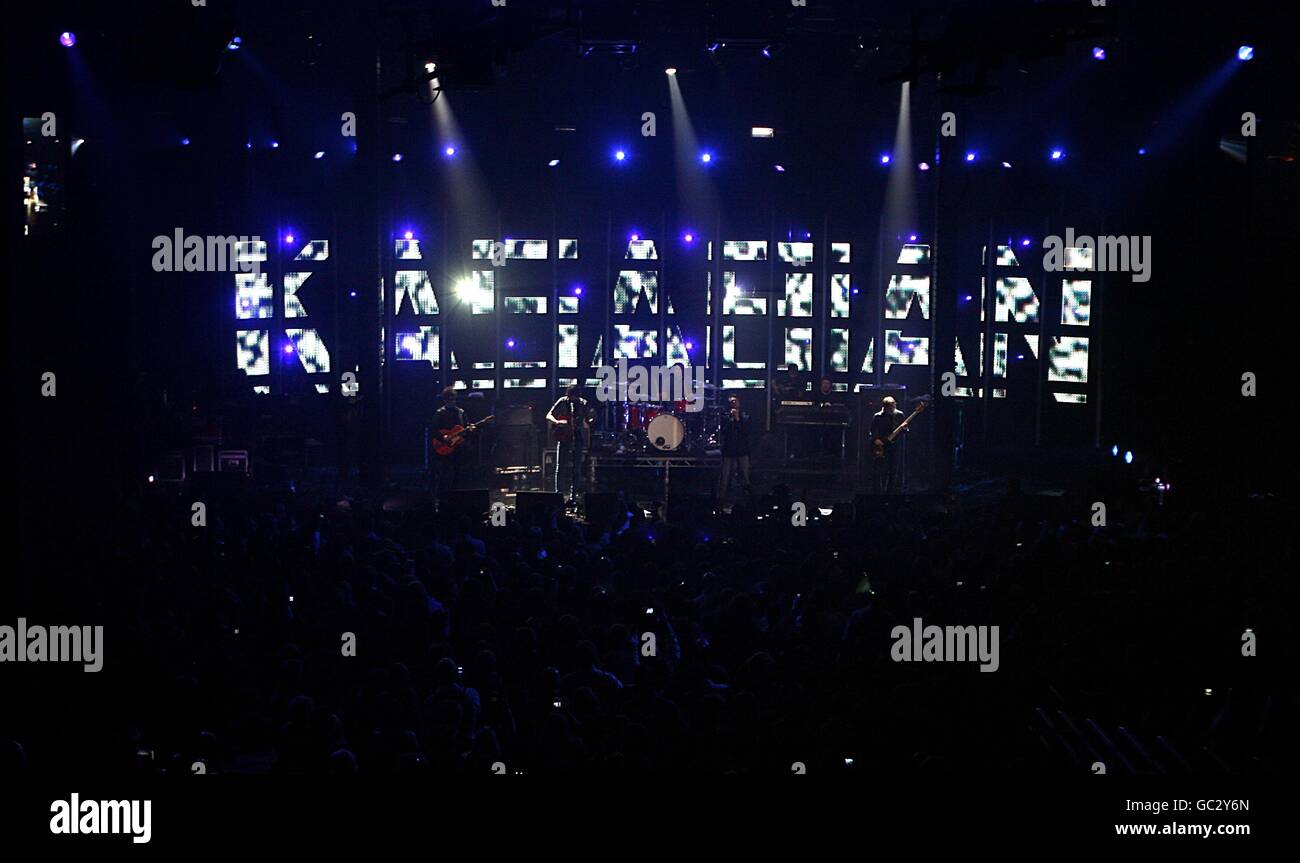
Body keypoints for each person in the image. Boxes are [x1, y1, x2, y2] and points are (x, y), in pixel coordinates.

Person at [546, 384, 593, 502]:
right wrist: (557, 422)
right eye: (571, 397)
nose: (573, 400)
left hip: (577, 437)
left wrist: (587, 422)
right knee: (560, 466)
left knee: (576, 468)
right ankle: (559, 494)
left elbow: (591, 417)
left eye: (575, 397)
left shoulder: (583, 404)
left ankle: (574, 495)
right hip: (564, 437)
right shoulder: (562, 402)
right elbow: (549, 415)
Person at [430, 387, 466, 505]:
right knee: (443, 474)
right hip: (444, 448)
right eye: (450, 399)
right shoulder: (439, 413)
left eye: (454, 399)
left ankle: (456, 498)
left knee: (457, 472)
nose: (452, 402)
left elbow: (465, 428)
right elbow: (433, 430)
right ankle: (441, 499)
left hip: (457, 448)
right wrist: (443, 437)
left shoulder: (461, 413)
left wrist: (470, 430)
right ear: (445, 400)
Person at [870, 396, 907, 494]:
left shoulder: (899, 415)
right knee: (881, 470)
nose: (892, 408)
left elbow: (905, 431)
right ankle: (879, 492)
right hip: (882, 446)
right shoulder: (878, 416)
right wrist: (876, 439)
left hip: (895, 446)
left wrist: (904, 429)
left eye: (893, 405)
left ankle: (891, 493)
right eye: (890, 406)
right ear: (885, 407)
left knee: (894, 470)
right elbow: (872, 431)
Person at [718, 395, 752, 502]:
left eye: (735, 401)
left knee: (745, 475)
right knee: (725, 476)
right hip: (728, 450)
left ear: (739, 403)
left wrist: (737, 419)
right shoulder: (725, 417)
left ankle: (747, 497)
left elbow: (746, 431)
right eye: (731, 402)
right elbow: (723, 431)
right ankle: (722, 498)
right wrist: (731, 419)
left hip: (742, 450)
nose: (733, 403)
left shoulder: (745, 416)